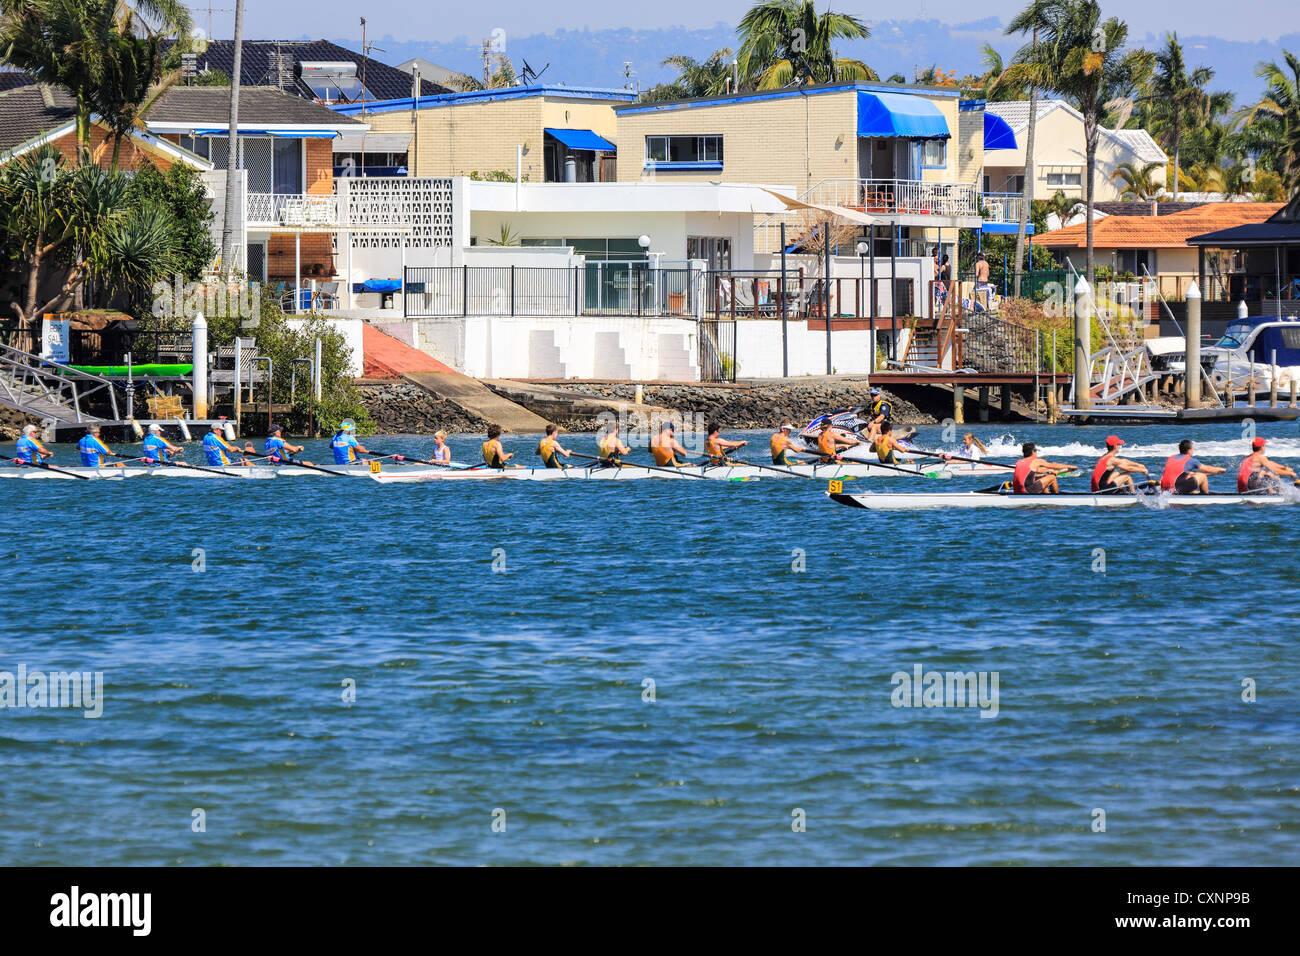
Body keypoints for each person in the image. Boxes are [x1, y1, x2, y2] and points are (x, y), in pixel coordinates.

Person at [1160, 439, 1225, 495]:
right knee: (1202, 476)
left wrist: (1215, 473)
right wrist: (1221, 469)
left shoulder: (1171, 458)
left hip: (1165, 489)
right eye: (1192, 449)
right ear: (1189, 450)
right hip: (1176, 488)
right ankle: (1205, 496)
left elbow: (1178, 474)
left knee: (1193, 476)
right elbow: (1207, 469)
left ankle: (1193, 492)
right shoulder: (1190, 460)